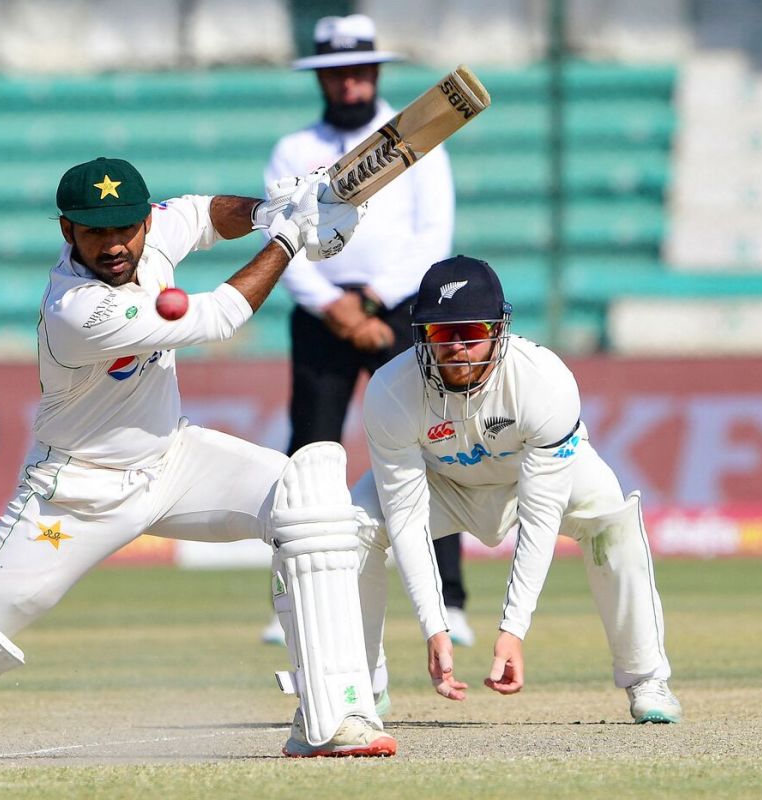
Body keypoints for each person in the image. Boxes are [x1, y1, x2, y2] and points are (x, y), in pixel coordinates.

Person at [0, 155, 399, 766]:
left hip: (172, 460)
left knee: (310, 495)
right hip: (74, 492)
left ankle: (331, 715)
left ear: (144, 223)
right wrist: (290, 239)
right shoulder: (77, 310)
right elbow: (218, 317)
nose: (112, 245)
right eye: (94, 231)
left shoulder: (152, 233)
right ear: (67, 230)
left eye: (124, 228)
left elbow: (204, 213)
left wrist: (269, 210)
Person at [351, 254, 683, 723]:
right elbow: (404, 517)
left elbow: (541, 515)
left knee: (611, 517)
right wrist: (435, 626)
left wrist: (513, 629)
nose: (459, 347)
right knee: (350, 529)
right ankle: (360, 685)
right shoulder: (390, 391)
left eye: (474, 332)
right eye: (443, 333)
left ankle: (647, 678)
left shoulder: (545, 382)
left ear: (499, 331)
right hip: (441, 484)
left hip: (528, 479)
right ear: (422, 336)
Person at [260, 13, 472, 659]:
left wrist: (372, 300)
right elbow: (280, 237)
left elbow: (431, 235)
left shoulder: (418, 142)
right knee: (308, 457)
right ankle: (294, 600)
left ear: (375, 72)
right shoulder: (295, 148)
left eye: (359, 71)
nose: (349, 83)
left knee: (431, 445)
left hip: (400, 307)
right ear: (322, 79)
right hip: (324, 316)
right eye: (336, 74)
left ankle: (449, 600)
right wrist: (337, 308)